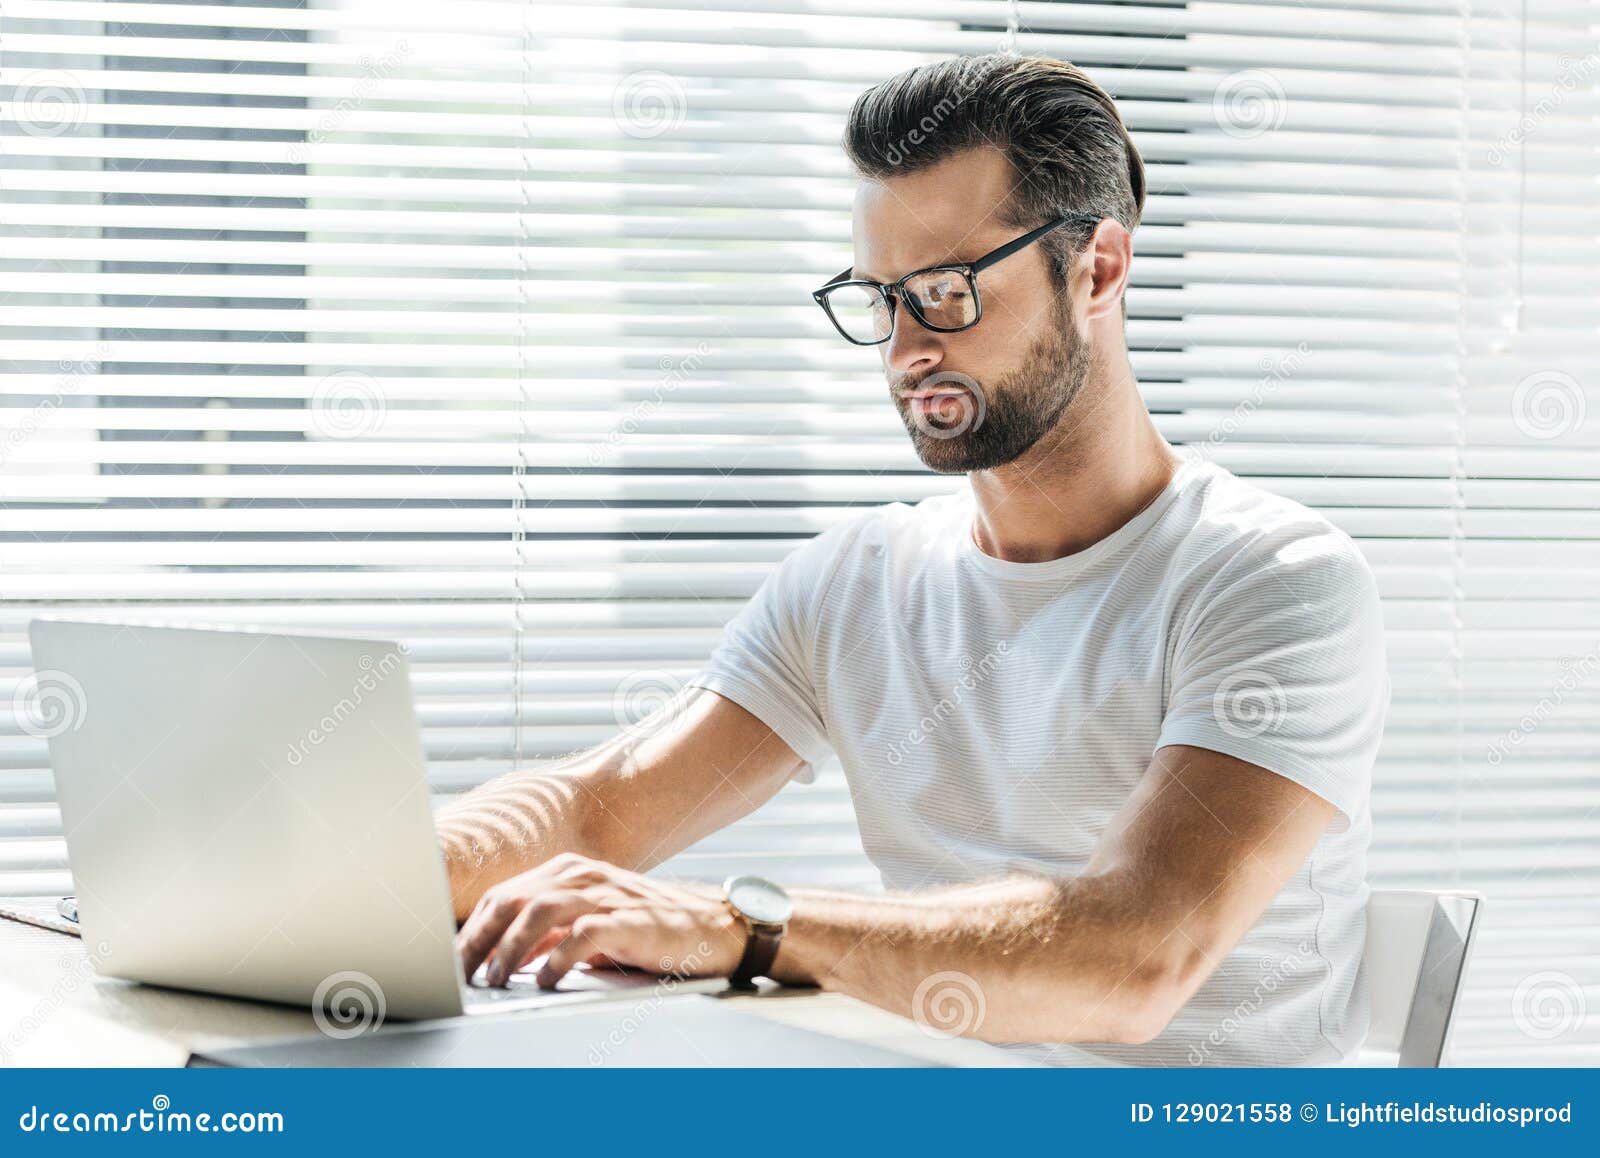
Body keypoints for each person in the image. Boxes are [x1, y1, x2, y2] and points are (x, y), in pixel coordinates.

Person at [438, 52, 1388, 1066]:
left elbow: (1132, 956)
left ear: (1098, 269)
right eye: (879, 297)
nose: (904, 350)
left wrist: (743, 926)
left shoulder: (1269, 580)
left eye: (944, 291)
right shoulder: (860, 580)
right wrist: (352, 880)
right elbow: (600, 804)